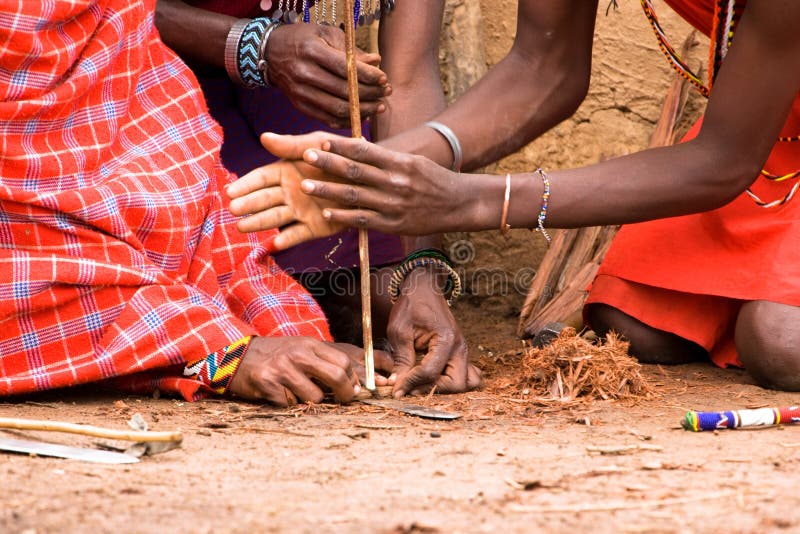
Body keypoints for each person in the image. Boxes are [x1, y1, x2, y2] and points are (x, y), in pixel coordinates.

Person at [227, 0, 800, 391]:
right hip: (772, 124)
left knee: (777, 340)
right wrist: (372, 172)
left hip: (741, 145)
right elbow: (543, 69)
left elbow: (723, 158)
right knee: (634, 324)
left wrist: (471, 201)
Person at [0, 0, 408, 406]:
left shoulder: (119, 28)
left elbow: (205, 221)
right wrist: (218, 354)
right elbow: (27, 278)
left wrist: (284, 330)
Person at [155, 0, 483, 397]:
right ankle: (223, 353)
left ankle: (313, 316)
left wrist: (420, 272)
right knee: (194, 243)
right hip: (124, 76)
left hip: (284, 86)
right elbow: (93, 13)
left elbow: (406, 80)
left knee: (385, 287)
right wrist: (256, 47)